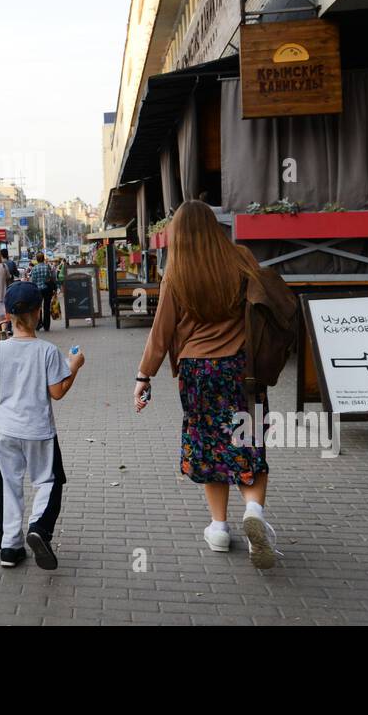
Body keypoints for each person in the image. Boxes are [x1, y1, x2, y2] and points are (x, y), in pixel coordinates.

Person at [135, 199, 278, 569]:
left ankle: (218, 528)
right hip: (240, 370)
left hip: (197, 372)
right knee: (247, 439)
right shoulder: (241, 257)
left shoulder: (177, 269)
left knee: (210, 443)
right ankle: (254, 512)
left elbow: (161, 331)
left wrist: (143, 375)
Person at [0, 281, 83, 570]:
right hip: (39, 431)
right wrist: (74, 366)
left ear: (8, 315)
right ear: (38, 312)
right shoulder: (48, 351)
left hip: (6, 431)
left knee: (9, 485)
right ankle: (39, 529)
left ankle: (10, 547)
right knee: (48, 480)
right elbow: (57, 392)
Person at [28, 251, 57, 331]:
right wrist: (55, 288)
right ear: (43, 258)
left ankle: (38, 324)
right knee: (46, 307)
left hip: (38, 290)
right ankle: (46, 326)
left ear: (37, 259)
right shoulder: (47, 266)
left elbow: (32, 280)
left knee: (38, 307)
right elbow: (52, 277)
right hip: (47, 289)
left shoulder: (34, 268)